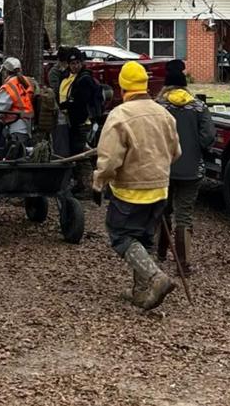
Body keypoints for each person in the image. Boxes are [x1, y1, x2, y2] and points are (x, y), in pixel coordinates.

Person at [93, 61, 181, 310]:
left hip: (130, 192)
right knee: (143, 239)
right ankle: (141, 293)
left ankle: (155, 278)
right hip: (160, 190)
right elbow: (176, 152)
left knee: (122, 236)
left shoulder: (119, 115)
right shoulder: (164, 114)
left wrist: (98, 183)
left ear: (123, 87)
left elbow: (109, 160)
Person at [155, 59, 215, 273]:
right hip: (192, 169)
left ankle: (160, 252)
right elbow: (209, 137)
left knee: (162, 210)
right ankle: (183, 263)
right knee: (185, 214)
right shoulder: (198, 106)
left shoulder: (159, 106)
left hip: (164, 168)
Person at [59, 47, 103, 197]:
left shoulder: (84, 79)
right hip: (71, 121)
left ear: (82, 63)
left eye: (78, 62)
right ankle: (79, 183)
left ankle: (89, 187)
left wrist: (65, 105)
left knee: (82, 155)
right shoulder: (67, 77)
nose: (75, 66)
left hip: (82, 122)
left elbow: (80, 103)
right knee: (75, 153)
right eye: (72, 63)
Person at [0, 57, 34, 145]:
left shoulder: (9, 86)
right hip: (27, 125)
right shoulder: (27, 82)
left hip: (14, 129)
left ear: (5, 71)